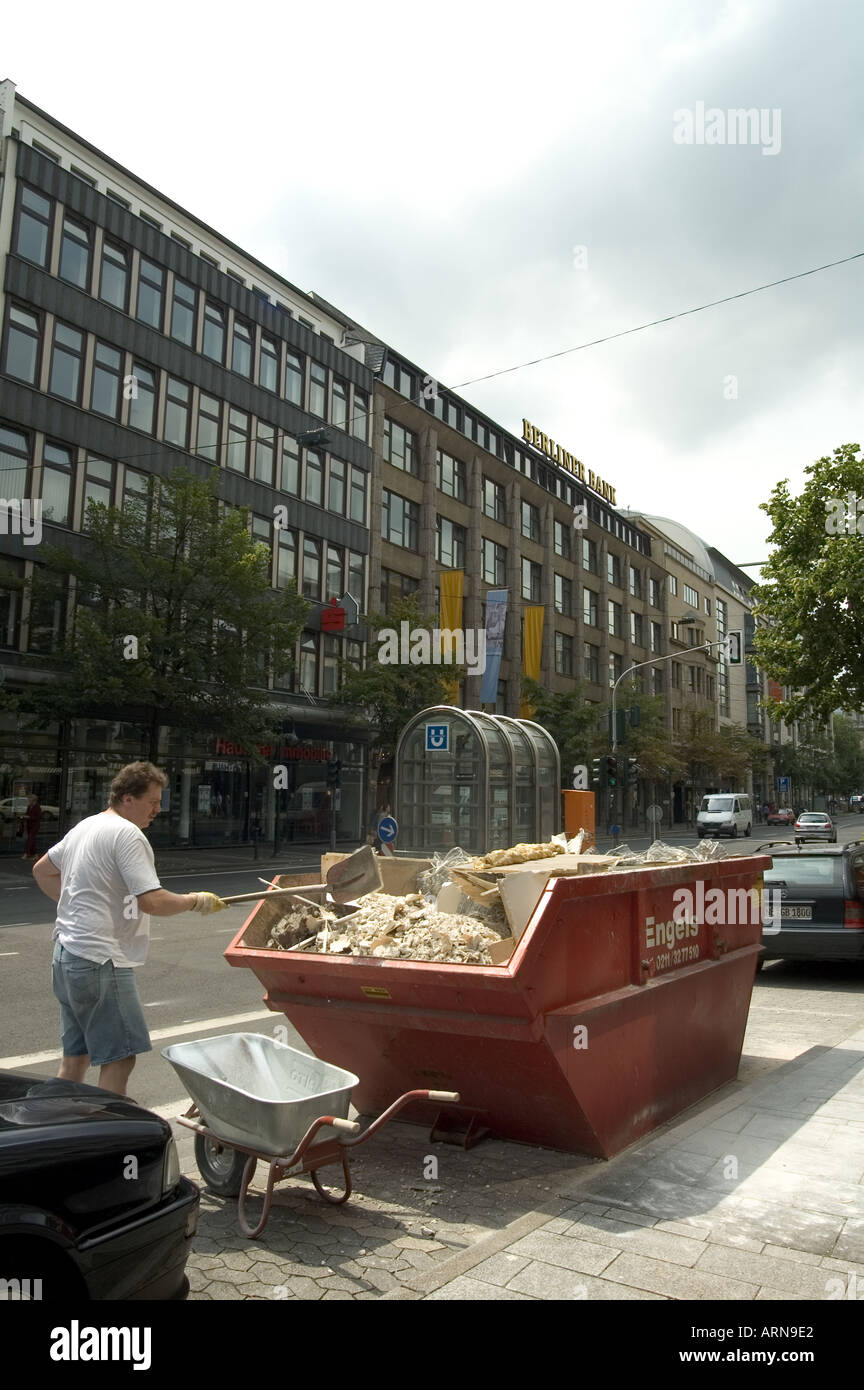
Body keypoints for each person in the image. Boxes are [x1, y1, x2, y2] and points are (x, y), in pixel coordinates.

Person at [33, 761, 227, 1098]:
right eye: (152, 801)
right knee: (120, 1059)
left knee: (75, 1057)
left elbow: (42, 871)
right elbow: (152, 901)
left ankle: (60, 1128)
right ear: (127, 798)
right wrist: (195, 901)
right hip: (100, 960)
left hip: (66, 955)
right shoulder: (127, 834)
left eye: (159, 802)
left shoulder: (86, 826)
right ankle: (109, 1134)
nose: (158, 810)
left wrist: (80, 906)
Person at [19, 793, 42, 859]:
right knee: (32, 840)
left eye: (29, 800)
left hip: (35, 826)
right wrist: (24, 816)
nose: (28, 801)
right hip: (29, 825)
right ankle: (35, 854)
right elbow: (27, 814)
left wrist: (28, 817)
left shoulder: (37, 807)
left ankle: (26, 853)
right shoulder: (29, 807)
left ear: (34, 800)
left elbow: (38, 817)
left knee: (30, 839)